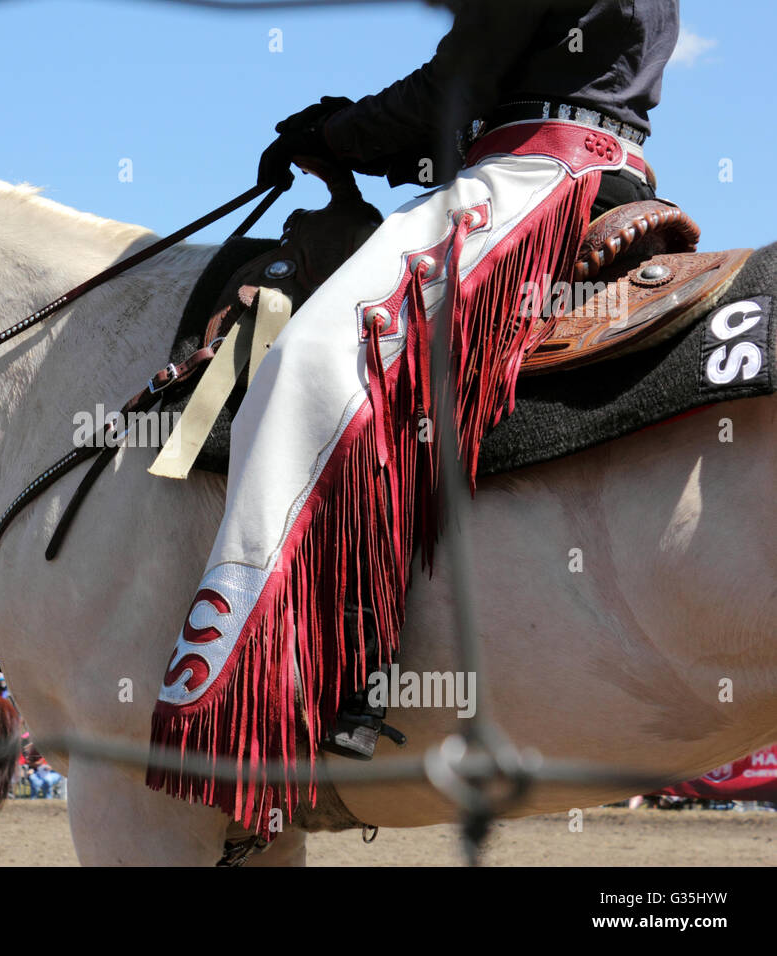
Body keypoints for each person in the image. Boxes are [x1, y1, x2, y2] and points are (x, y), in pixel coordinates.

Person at [152, 1, 680, 824]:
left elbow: (459, 81)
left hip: (536, 174)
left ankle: (271, 685)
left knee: (309, 363)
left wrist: (338, 133)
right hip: (597, 161)